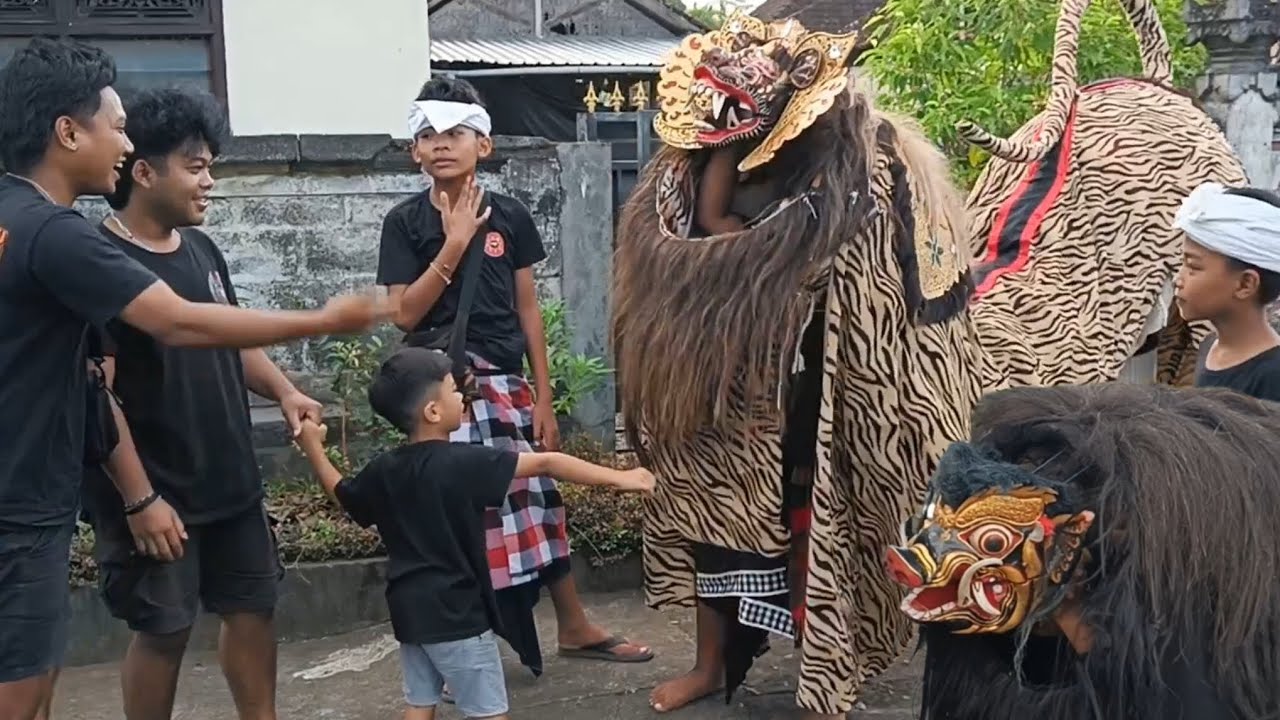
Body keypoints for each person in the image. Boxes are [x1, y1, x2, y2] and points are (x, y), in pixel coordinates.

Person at [0, 38, 385, 720]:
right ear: (67, 132)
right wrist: (322, 318)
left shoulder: (21, 218)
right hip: (68, 492)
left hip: (210, 479)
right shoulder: (65, 240)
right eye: (113, 126)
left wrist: (288, 388)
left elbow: (219, 327)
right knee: (57, 671)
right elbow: (173, 327)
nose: (121, 143)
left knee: (246, 609)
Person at [375, 75, 652, 679]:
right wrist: (451, 247)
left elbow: (528, 310)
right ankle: (461, 645)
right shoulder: (404, 224)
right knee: (461, 521)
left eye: (455, 133)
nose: (441, 144)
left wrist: (545, 397)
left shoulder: (512, 216)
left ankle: (573, 625)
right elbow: (403, 313)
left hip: (505, 385)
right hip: (443, 395)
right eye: (428, 135)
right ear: (414, 150)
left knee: (535, 501)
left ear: (484, 145)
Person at [76, 87, 322, 720]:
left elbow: (231, 336)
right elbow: (96, 393)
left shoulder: (201, 251)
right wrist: (139, 499)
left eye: (211, 165)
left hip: (230, 480)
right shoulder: (99, 262)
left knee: (253, 608)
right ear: (144, 171)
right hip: (158, 494)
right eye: (196, 166)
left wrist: (287, 391)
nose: (209, 181)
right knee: (163, 629)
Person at [293, 347, 656, 720]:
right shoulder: (464, 462)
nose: (463, 397)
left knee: (420, 704)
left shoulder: (384, 468)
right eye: (453, 390)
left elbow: (344, 494)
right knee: (488, 711)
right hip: (458, 613)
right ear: (432, 411)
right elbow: (547, 461)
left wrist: (313, 447)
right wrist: (622, 477)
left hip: (409, 612)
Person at [1173, 183, 1280, 402]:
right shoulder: (1208, 348)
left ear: (1245, 285)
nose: (1178, 279)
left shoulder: (1273, 378)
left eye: (1193, 267)